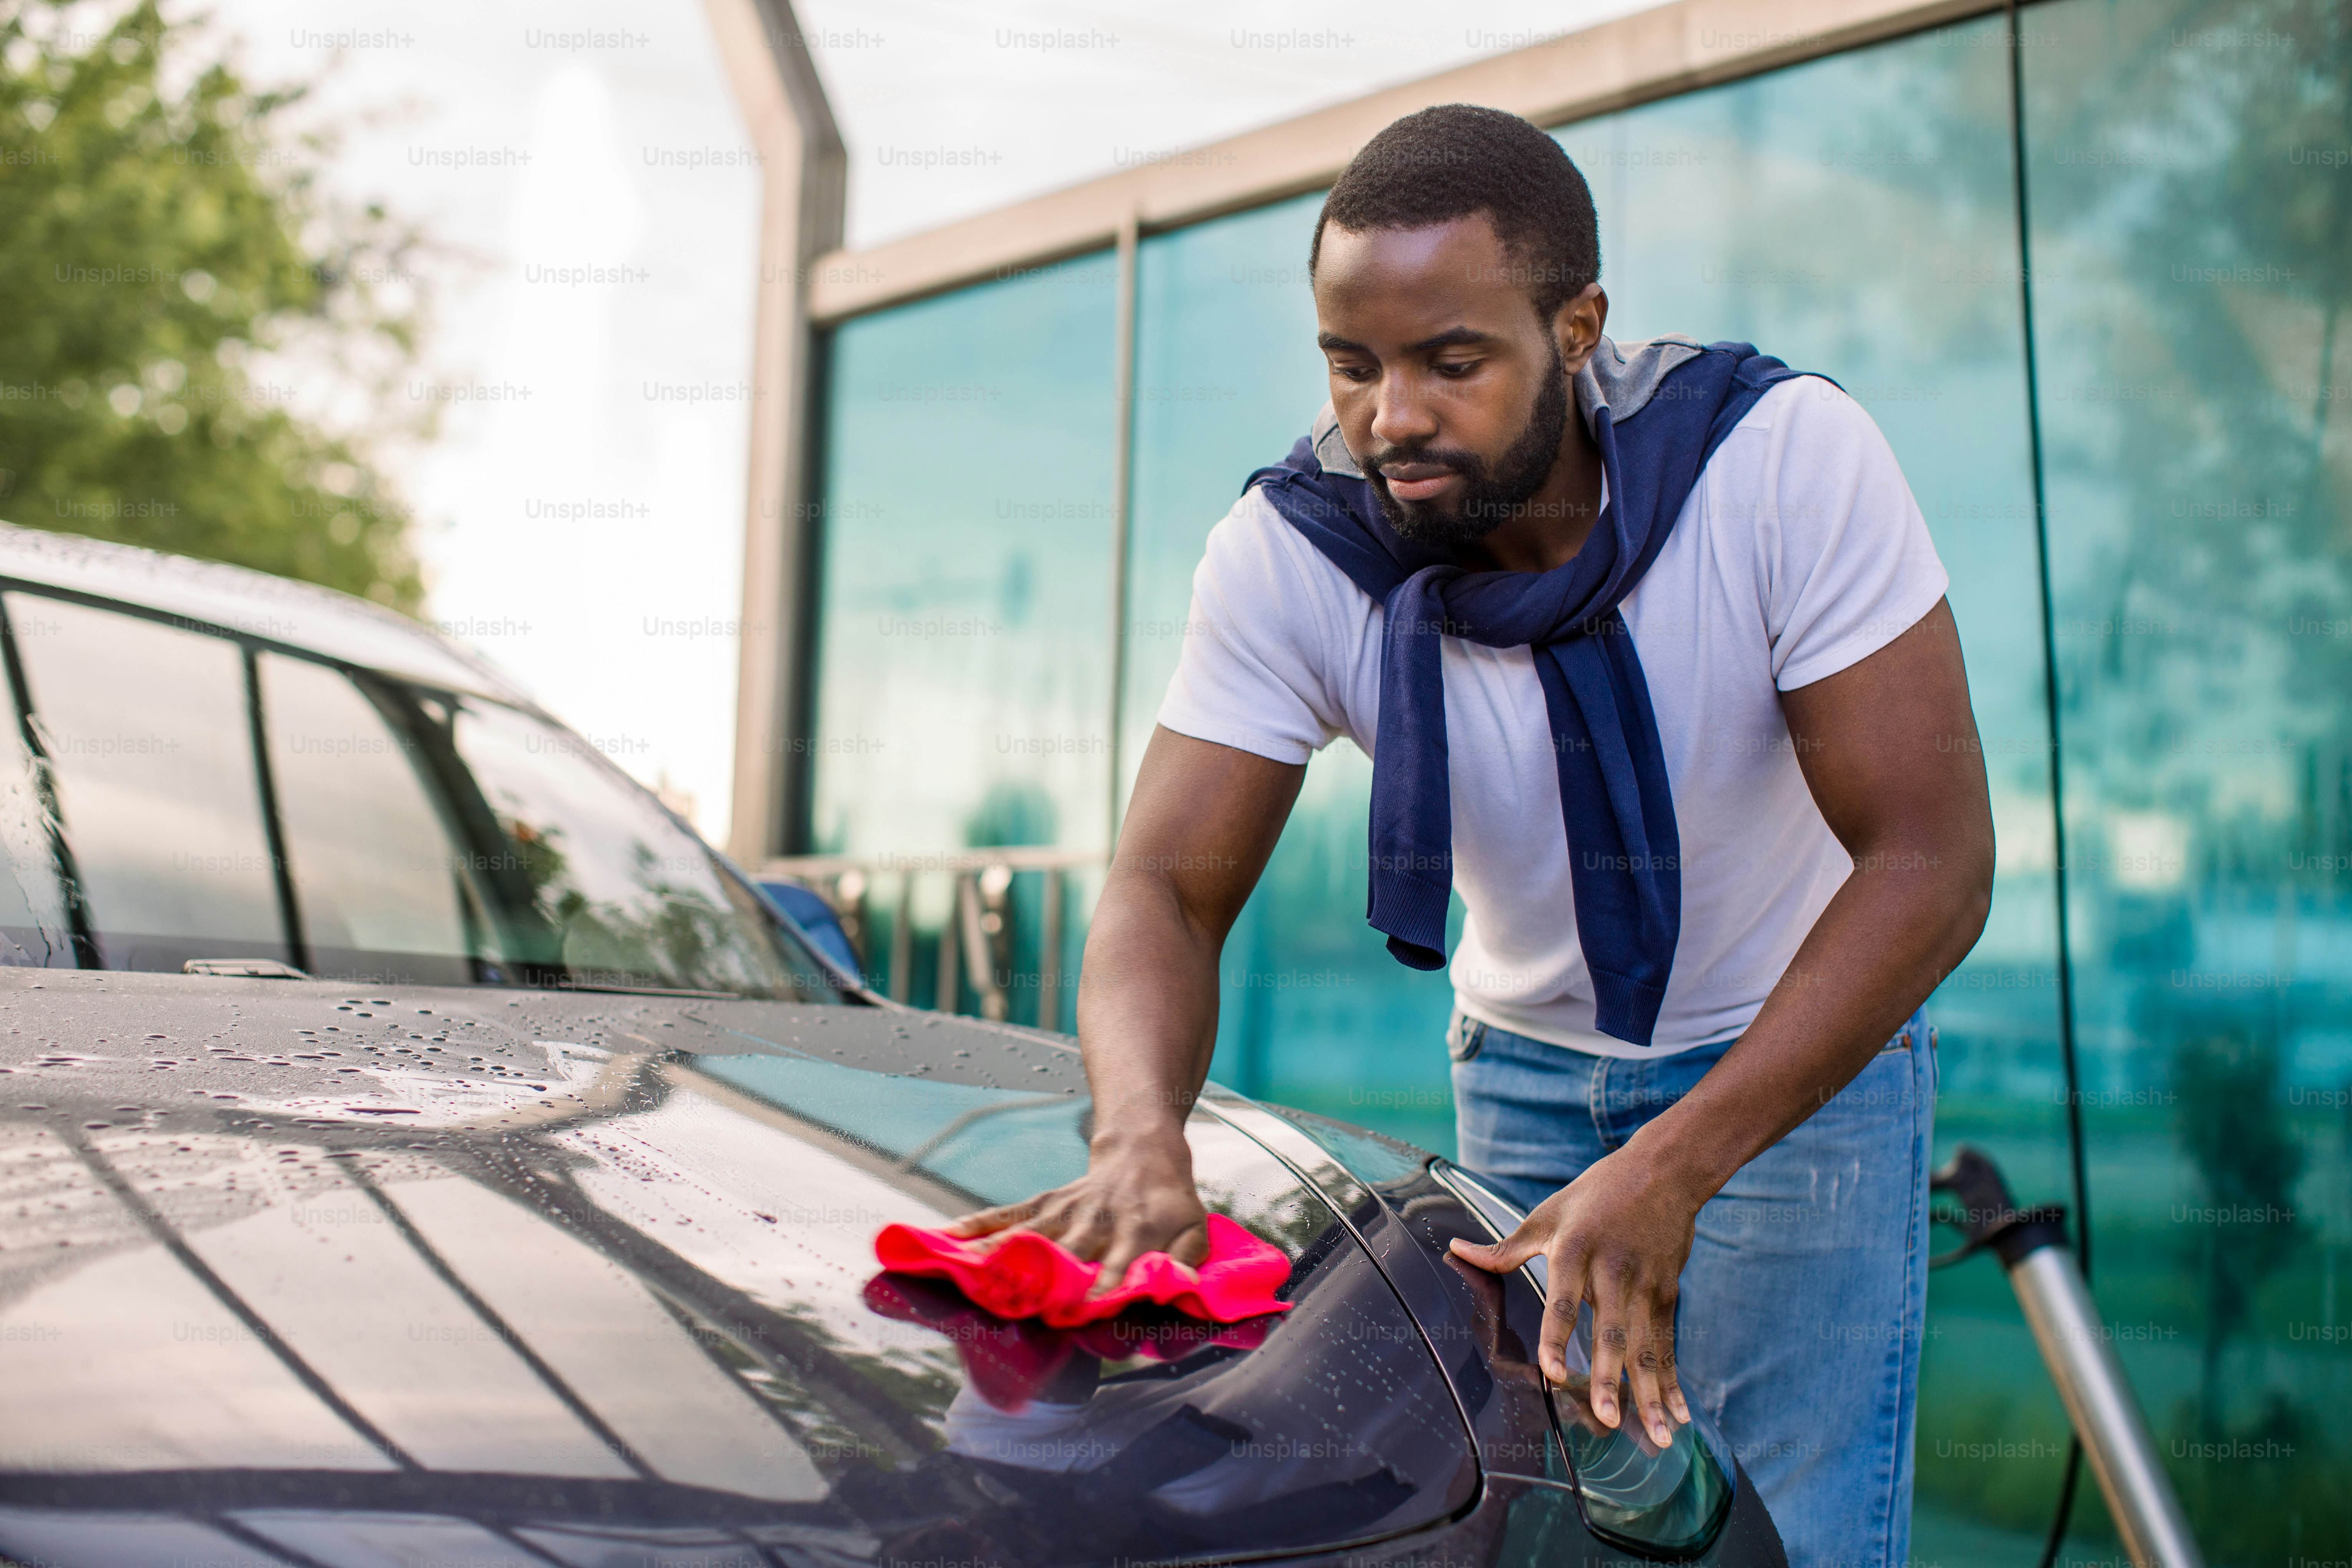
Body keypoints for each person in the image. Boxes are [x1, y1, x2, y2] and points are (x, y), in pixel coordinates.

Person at [951, 103, 1993, 1566]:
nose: (1392, 417)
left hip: (1791, 1071)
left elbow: (1929, 860)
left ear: (1577, 330)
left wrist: (1677, 1166)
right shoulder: (1297, 552)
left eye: (1451, 362)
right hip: (1522, 1071)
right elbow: (1163, 892)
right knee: (1543, 1536)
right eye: (1351, 364)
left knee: (1787, 1538)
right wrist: (1138, 1133)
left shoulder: (1774, 462)